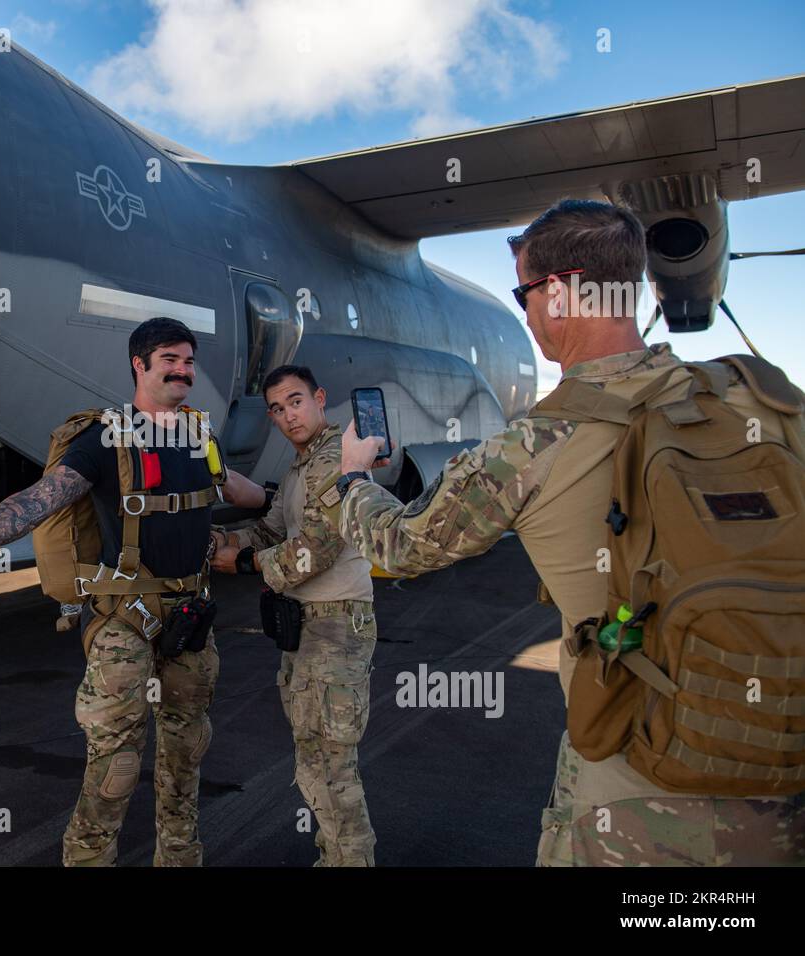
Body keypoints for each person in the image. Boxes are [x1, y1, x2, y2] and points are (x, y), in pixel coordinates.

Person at [328, 198, 805, 865]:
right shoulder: (763, 401)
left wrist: (353, 480)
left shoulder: (534, 444)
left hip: (637, 795)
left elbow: (399, 547)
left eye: (522, 293)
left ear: (556, 292)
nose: (524, 311)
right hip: (783, 778)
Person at [0, 317, 252, 866]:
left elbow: (232, 486)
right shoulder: (104, 439)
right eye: (170, 359)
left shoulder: (199, 434)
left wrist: (295, 498)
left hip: (191, 619)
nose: (184, 371)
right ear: (138, 365)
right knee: (114, 769)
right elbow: (39, 500)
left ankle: (180, 858)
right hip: (125, 620)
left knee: (187, 755)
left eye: (190, 361)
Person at [210, 365, 382, 866]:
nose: (288, 416)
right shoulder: (299, 466)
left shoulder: (335, 460)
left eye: (296, 401)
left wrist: (241, 561)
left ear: (319, 398)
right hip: (308, 627)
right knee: (314, 760)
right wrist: (223, 542)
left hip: (335, 626)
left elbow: (317, 549)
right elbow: (271, 530)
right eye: (278, 409)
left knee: (332, 766)